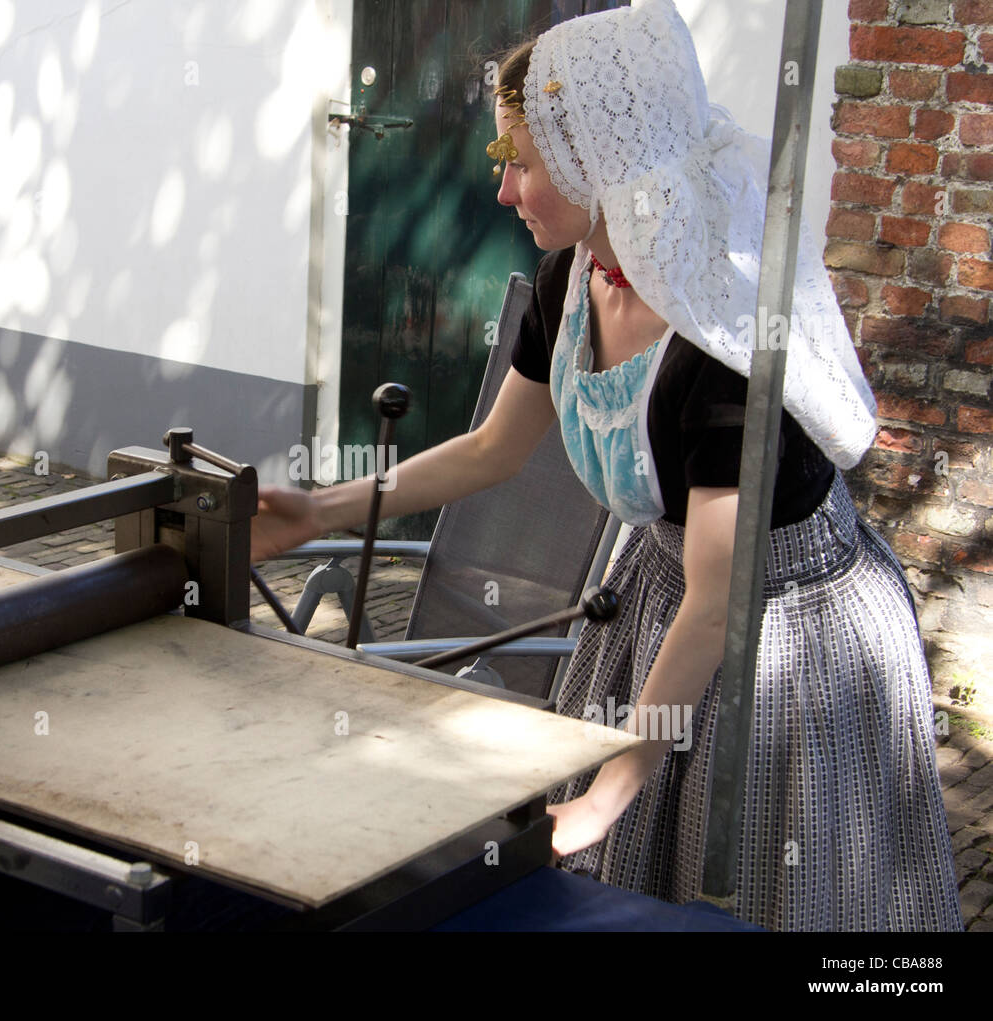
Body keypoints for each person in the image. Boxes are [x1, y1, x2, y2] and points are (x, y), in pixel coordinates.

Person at [252, 0, 962, 931]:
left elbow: (721, 604)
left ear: (603, 167)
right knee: (635, 880)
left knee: (771, 882)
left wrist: (603, 796)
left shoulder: (721, 344)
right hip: (663, 589)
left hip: (786, 633)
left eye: (522, 164)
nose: (504, 193)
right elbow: (492, 449)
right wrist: (319, 509)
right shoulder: (570, 279)